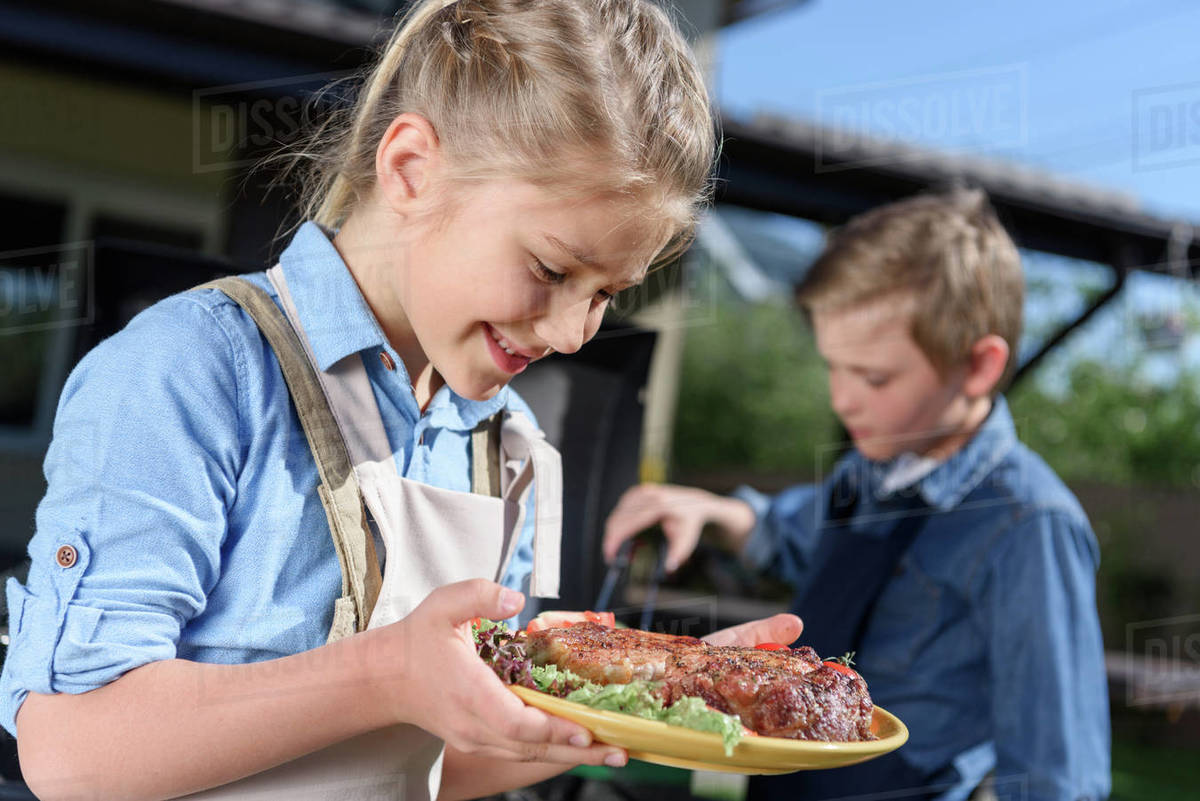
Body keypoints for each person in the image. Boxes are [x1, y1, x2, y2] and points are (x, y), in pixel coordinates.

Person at [0, 1, 802, 799]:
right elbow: (72, 751)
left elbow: (435, 762)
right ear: (412, 168)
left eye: (607, 294)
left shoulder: (508, 444)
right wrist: (383, 673)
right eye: (553, 270)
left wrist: (665, 698)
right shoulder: (193, 369)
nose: (570, 333)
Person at [604, 190, 1111, 801]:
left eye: (874, 376)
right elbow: (790, 535)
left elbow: (1060, 770)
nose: (843, 400)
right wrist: (714, 511)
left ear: (978, 367)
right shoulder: (868, 474)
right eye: (833, 367)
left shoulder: (1029, 526)